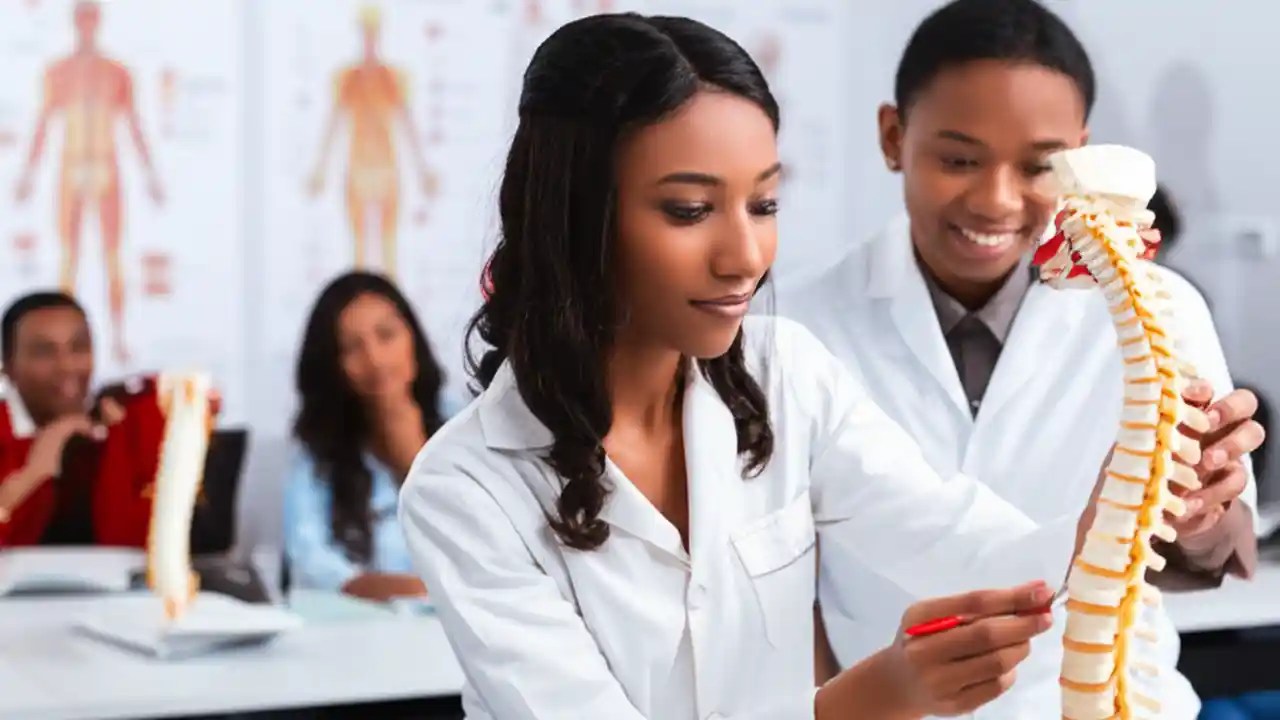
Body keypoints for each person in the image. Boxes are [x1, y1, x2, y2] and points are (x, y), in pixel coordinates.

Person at [396, 14, 1202, 718]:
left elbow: (962, 546)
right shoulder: (466, 489)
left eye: (764, 204)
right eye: (689, 210)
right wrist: (876, 698)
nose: (745, 256)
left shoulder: (785, 374)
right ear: (574, 214)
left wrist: (1124, 505)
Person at [780, 1, 1265, 717]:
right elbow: (787, 588)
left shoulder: (1162, 307)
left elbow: (1226, 552)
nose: (996, 199)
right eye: (958, 158)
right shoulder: (794, 324)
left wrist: (1198, 514)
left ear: (1081, 158)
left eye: (1040, 165)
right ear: (893, 136)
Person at [13, 0, 165, 364]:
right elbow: (43, 124)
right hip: (71, 168)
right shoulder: (58, 72)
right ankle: (63, 352)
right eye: (81, 18)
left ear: (97, 22)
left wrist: (150, 175)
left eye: (91, 18)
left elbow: (134, 125)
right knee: (70, 258)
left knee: (113, 256)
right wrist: (28, 175)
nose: (86, 25)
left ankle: (117, 337)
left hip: (106, 168)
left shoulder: (116, 72)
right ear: (75, 23)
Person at [283, 271, 448, 602]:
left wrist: (412, 460)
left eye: (386, 336)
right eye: (351, 348)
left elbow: (482, 548)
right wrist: (407, 590)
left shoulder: (464, 425)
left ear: (412, 338)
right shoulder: (318, 453)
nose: (375, 360)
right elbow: (309, 562)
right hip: (359, 634)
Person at [0, 291, 203, 546]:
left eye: (79, 347)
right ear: (8, 366)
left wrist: (117, 449)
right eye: (43, 352)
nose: (66, 366)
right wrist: (34, 473)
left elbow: (145, 542)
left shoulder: (126, 420)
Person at [307, 4, 437, 279]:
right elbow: (334, 124)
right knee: (359, 254)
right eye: (365, 32)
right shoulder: (347, 79)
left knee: (389, 252)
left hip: (386, 170)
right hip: (357, 170)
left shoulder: (392, 78)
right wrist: (320, 169)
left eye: (373, 32)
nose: (369, 39)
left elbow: (407, 125)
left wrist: (423, 171)